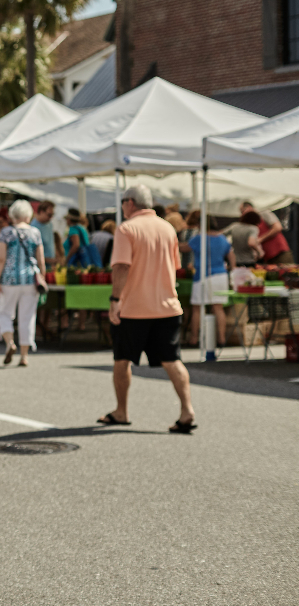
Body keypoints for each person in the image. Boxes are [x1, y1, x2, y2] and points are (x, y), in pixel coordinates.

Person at [101, 184, 196, 433]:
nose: (122, 206)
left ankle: (121, 411)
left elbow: (121, 267)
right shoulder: (168, 228)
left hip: (134, 308)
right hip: (167, 306)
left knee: (122, 360)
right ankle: (187, 410)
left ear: (130, 203)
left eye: (122, 201)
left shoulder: (127, 229)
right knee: (172, 360)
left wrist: (114, 300)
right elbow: (174, 266)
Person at [0, 200, 45, 367]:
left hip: (9, 279)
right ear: (28, 215)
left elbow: (1, 258)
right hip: (30, 279)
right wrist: (42, 277)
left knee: (4, 313)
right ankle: (24, 356)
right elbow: (41, 260)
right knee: (27, 317)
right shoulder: (35, 233)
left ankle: (9, 343)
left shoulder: (6, 233)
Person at [187, 215, 232, 348]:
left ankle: (194, 339)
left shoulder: (199, 238)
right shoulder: (223, 239)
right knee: (218, 308)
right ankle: (221, 339)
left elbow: (185, 248)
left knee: (197, 308)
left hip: (202, 275)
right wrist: (233, 269)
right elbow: (231, 256)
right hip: (221, 275)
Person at [31, 201, 57, 268]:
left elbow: (51, 243)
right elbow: (32, 252)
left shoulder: (49, 224)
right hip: (39, 266)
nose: (51, 218)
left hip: (50, 265)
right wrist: (47, 260)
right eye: (49, 215)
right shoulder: (33, 227)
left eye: (52, 215)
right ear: (42, 212)